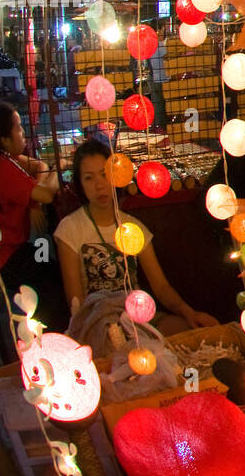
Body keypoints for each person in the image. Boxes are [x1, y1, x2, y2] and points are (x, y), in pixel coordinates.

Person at [55, 140, 218, 334]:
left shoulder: (133, 226)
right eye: (89, 178)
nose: (99, 185)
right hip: (97, 322)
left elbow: (161, 286)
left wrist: (188, 312)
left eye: (105, 174)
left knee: (188, 329)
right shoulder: (69, 229)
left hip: (138, 317)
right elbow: (75, 302)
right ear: (80, 184)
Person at [0, 102, 67, 340]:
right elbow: (47, 194)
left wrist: (32, 203)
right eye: (18, 128)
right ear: (4, 138)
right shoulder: (2, 166)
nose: (23, 133)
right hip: (5, 259)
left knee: (47, 257)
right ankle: (55, 336)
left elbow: (39, 166)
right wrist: (59, 168)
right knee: (51, 270)